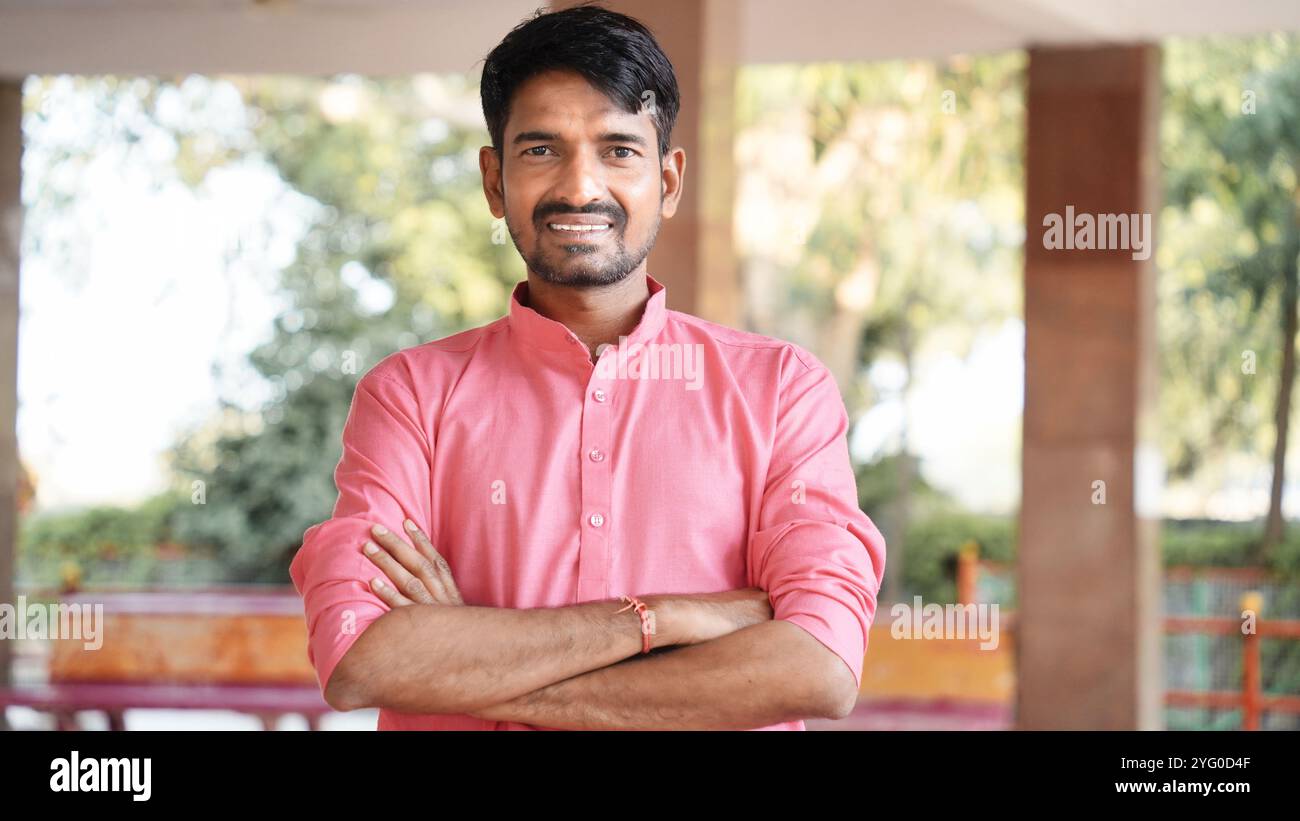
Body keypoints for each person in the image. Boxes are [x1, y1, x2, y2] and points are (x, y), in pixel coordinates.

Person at [289, 3, 886, 731]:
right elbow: (361, 657)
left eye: (618, 150)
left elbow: (817, 665)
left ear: (667, 180)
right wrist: (663, 619)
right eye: (541, 150)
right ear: (493, 180)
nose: (579, 187)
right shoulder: (410, 396)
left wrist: (467, 663)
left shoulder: (781, 392)